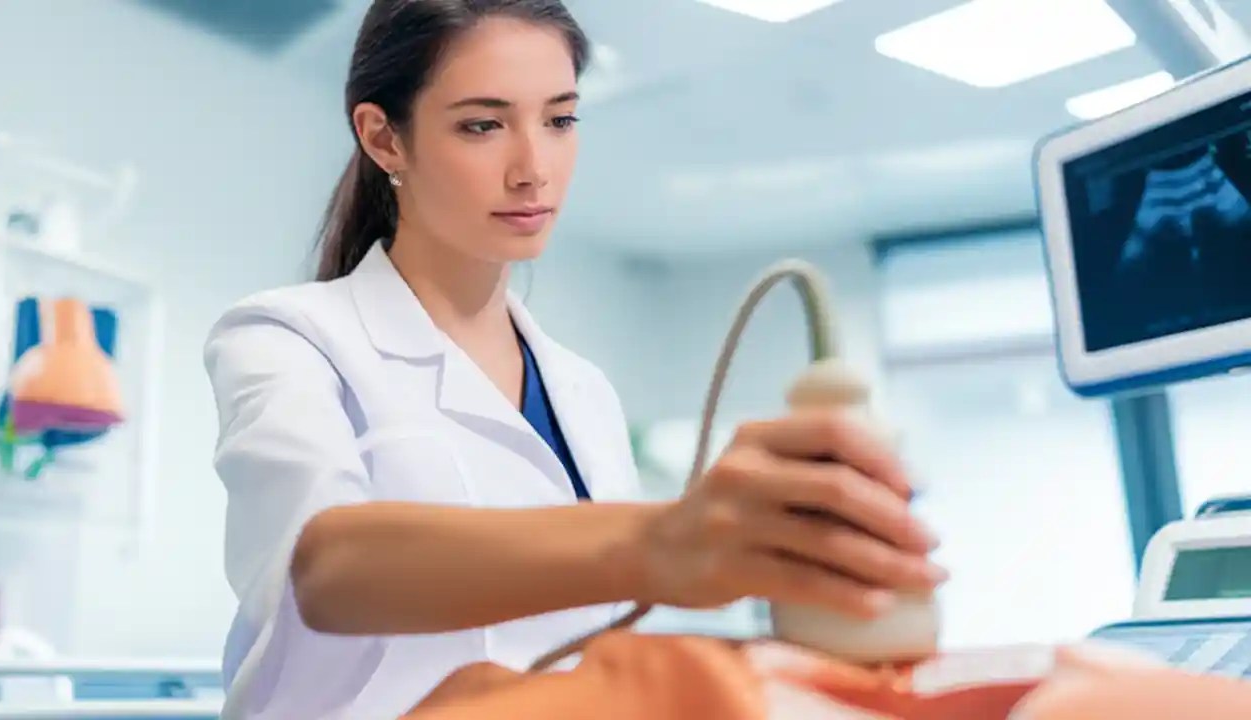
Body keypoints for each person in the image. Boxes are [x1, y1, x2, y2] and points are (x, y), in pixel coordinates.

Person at [203, 1, 947, 717]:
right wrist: (664, 541)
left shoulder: (582, 391)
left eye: (559, 119)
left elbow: (581, 645)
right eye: (483, 125)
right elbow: (328, 568)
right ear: (384, 138)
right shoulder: (286, 338)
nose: (534, 168)